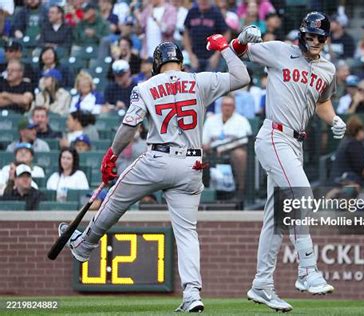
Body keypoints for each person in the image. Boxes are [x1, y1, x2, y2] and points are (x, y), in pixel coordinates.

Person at [58, 37, 250, 313]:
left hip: (158, 158)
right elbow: (241, 76)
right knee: (187, 232)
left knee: (115, 198)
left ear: (157, 64)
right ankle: (192, 293)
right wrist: (224, 48)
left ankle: (85, 244)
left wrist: (111, 154)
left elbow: (129, 125)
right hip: (192, 165)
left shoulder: (145, 87)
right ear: (180, 63)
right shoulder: (200, 80)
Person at [230, 12, 347, 312]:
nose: (315, 40)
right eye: (311, 35)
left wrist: (334, 118)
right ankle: (307, 270)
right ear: (302, 34)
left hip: (295, 144)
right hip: (273, 135)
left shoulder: (327, 69)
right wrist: (243, 36)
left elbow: (322, 103)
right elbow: (239, 50)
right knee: (300, 194)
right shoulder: (281, 50)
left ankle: (262, 285)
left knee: (277, 220)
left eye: (320, 36)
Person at [203, 94, 252, 197]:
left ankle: (241, 190)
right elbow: (204, 140)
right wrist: (207, 147)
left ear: (234, 107)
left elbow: (244, 141)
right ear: (221, 106)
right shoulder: (211, 120)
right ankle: (201, 189)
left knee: (240, 154)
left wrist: (225, 148)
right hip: (212, 152)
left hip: (232, 150)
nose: (227, 107)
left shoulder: (241, 120)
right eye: (225, 105)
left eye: (230, 105)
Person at [183, 0, 229, 72]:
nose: (203, 2)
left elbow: (226, 34)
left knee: (211, 82)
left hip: (211, 58)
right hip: (194, 58)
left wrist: (217, 55)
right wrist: (190, 55)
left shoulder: (216, 13)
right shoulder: (192, 12)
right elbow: (186, 34)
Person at [330, 115, 364, 184]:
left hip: (338, 179)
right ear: (358, 131)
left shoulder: (345, 141)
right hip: (346, 181)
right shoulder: (353, 144)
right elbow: (362, 170)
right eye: (363, 130)